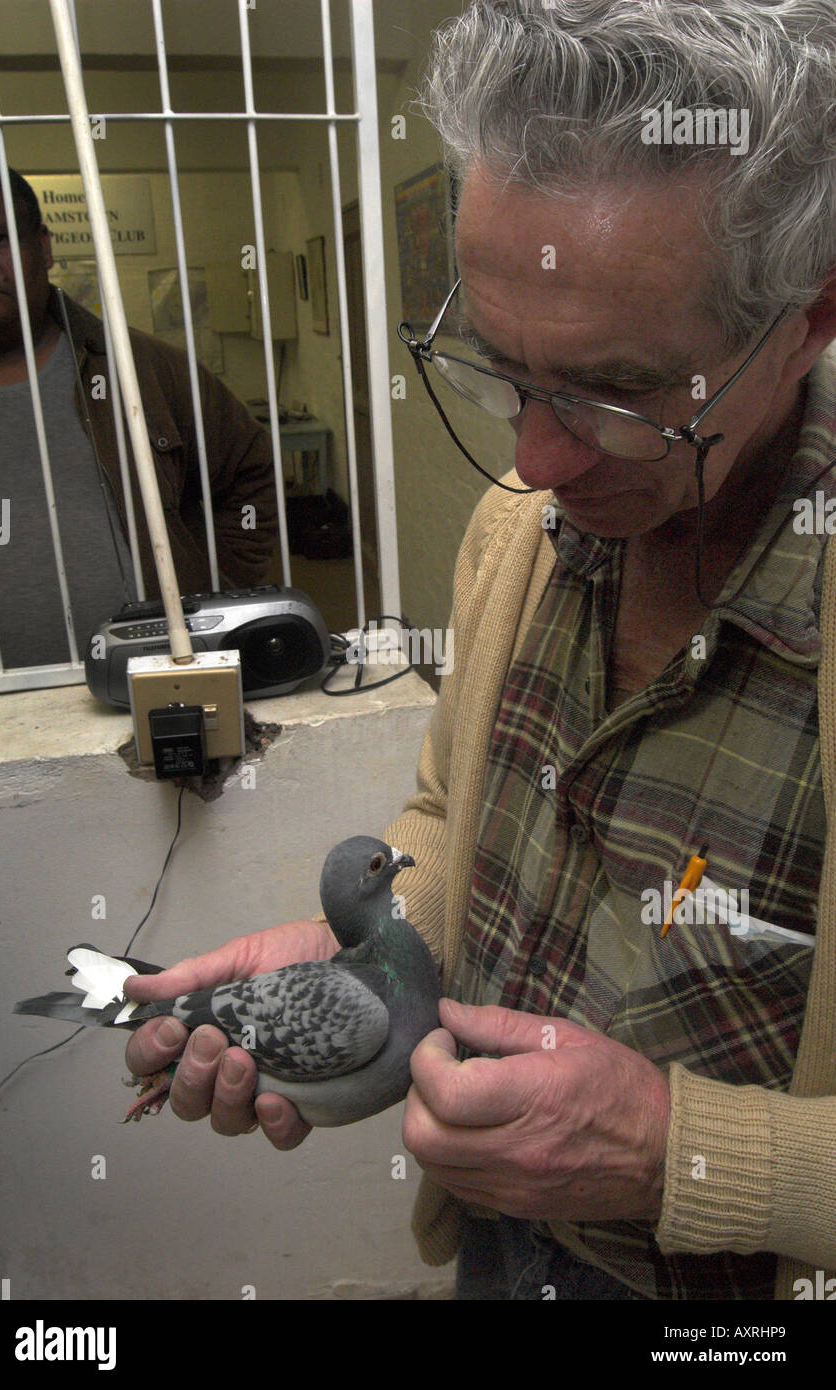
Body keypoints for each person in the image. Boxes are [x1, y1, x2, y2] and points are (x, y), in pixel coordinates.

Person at [123, 0, 836, 1300]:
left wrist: (677, 1152)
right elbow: (464, 812)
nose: (528, 463)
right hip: (501, 1251)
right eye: (496, 367)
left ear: (808, 317)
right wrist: (370, 955)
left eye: (615, 393)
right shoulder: (521, 532)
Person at [0, 154, 278, 672]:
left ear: (41, 248)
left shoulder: (142, 369)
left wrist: (213, 600)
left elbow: (249, 470)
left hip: (146, 684)